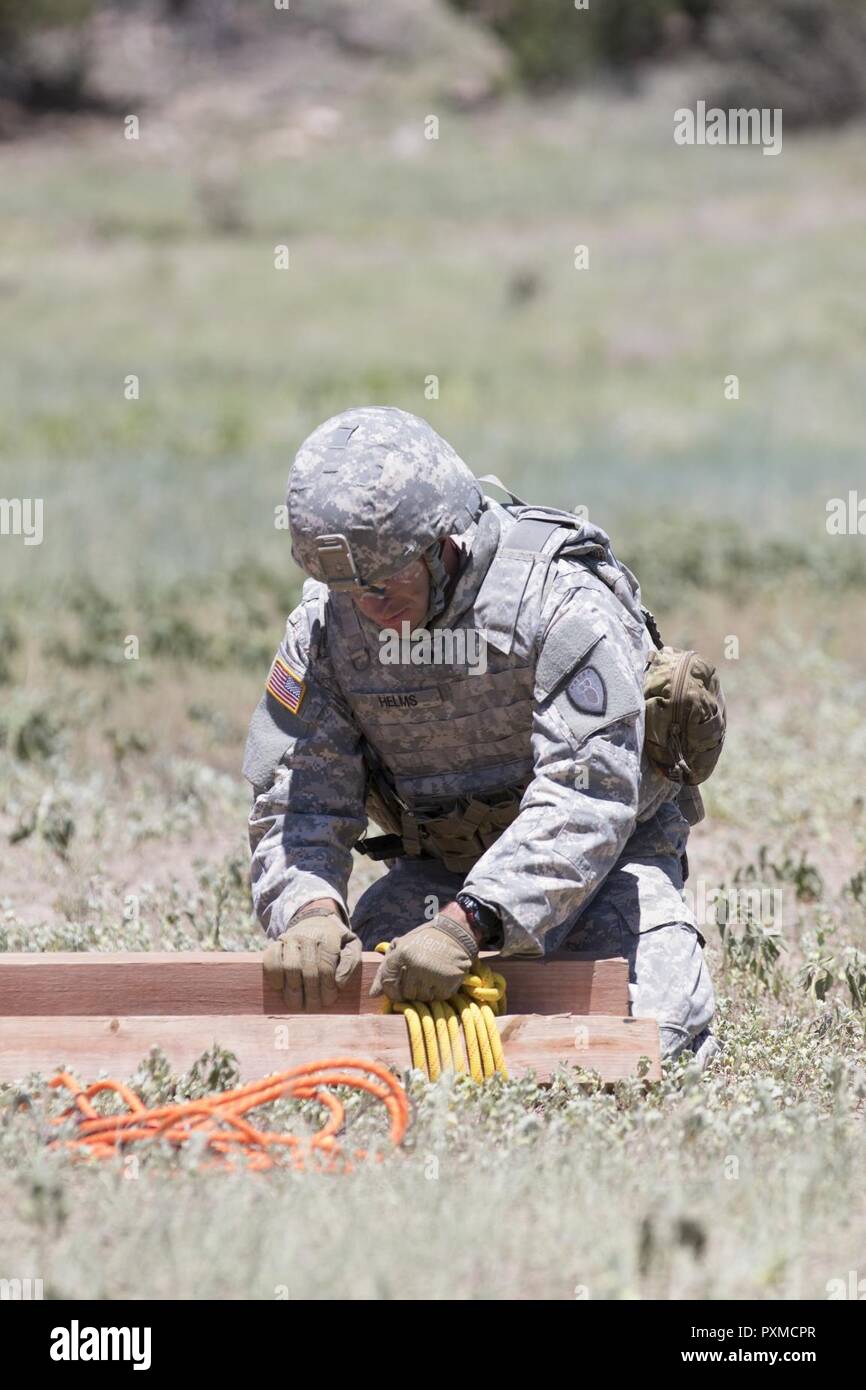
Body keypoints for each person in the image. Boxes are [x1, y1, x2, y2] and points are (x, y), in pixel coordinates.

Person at [243, 406, 719, 1066]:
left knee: (654, 1042)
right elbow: (296, 801)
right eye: (346, 588)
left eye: (383, 585)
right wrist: (311, 910)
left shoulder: (560, 603)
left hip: (604, 876)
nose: (366, 609)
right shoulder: (327, 628)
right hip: (433, 882)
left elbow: (588, 796)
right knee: (357, 1044)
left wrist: (470, 923)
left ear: (443, 546)